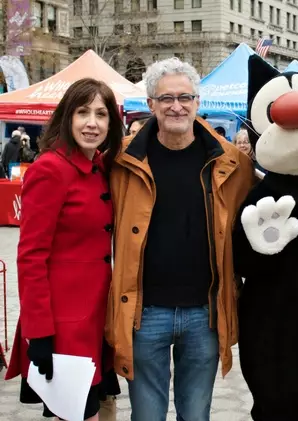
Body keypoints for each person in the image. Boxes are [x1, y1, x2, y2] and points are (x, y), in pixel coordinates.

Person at [106, 57, 255, 421]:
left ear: (197, 102)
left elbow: (262, 210)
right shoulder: (121, 161)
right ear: (151, 104)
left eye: (185, 97)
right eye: (166, 98)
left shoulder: (232, 162)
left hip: (204, 314)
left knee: (196, 414)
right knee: (146, 415)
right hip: (144, 313)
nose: (177, 106)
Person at [4, 78, 123, 420]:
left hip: (97, 319)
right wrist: (38, 331)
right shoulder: (50, 169)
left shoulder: (100, 166)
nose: (92, 123)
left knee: (101, 408)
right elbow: (30, 256)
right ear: (67, 117)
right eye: (83, 112)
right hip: (64, 325)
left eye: (101, 114)